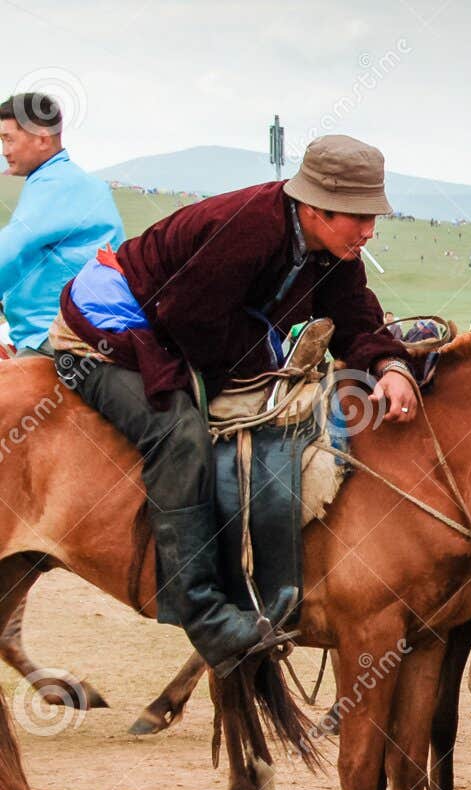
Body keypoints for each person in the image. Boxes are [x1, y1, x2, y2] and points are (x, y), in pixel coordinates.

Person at [49, 135, 418, 674]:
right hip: (111, 331)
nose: (369, 231)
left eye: (372, 217)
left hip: (183, 331)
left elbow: (355, 314)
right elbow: (190, 318)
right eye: (357, 217)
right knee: (178, 433)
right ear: (313, 207)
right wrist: (263, 369)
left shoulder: (334, 252)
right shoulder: (246, 228)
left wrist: (391, 366)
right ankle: (204, 612)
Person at [0, 92, 124, 356]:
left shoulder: (58, 183)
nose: (5, 151)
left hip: (54, 333)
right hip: (52, 324)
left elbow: (12, 247)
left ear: (43, 138)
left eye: (9, 139)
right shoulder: (60, 179)